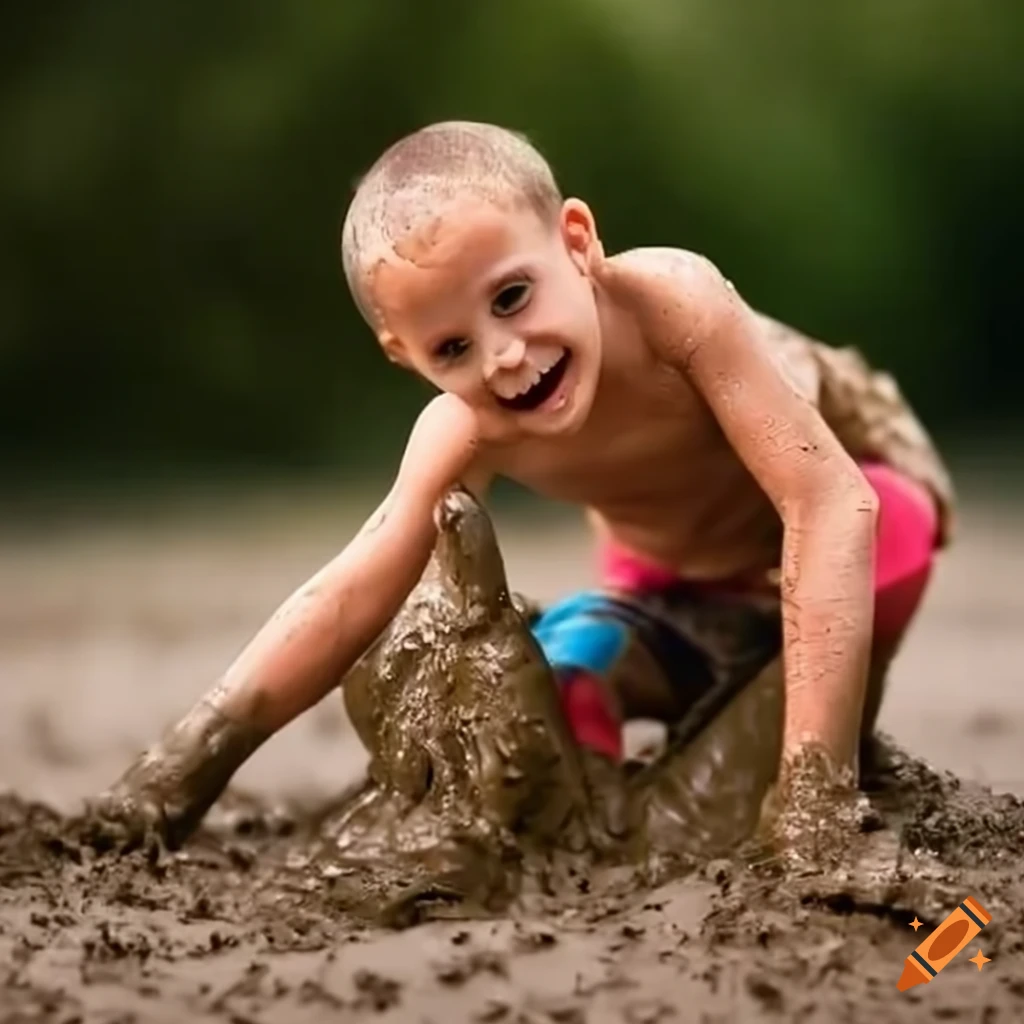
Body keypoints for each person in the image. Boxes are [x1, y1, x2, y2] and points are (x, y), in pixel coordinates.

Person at [94, 121, 955, 852]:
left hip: (823, 540)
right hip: (667, 595)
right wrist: (182, 766)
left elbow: (830, 501)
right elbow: (350, 593)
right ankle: (611, 813)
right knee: (563, 687)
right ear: (406, 356)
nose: (504, 357)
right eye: (452, 349)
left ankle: (819, 737)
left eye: (511, 296)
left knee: (894, 522)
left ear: (577, 242)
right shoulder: (467, 426)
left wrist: (812, 801)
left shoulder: (675, 307)